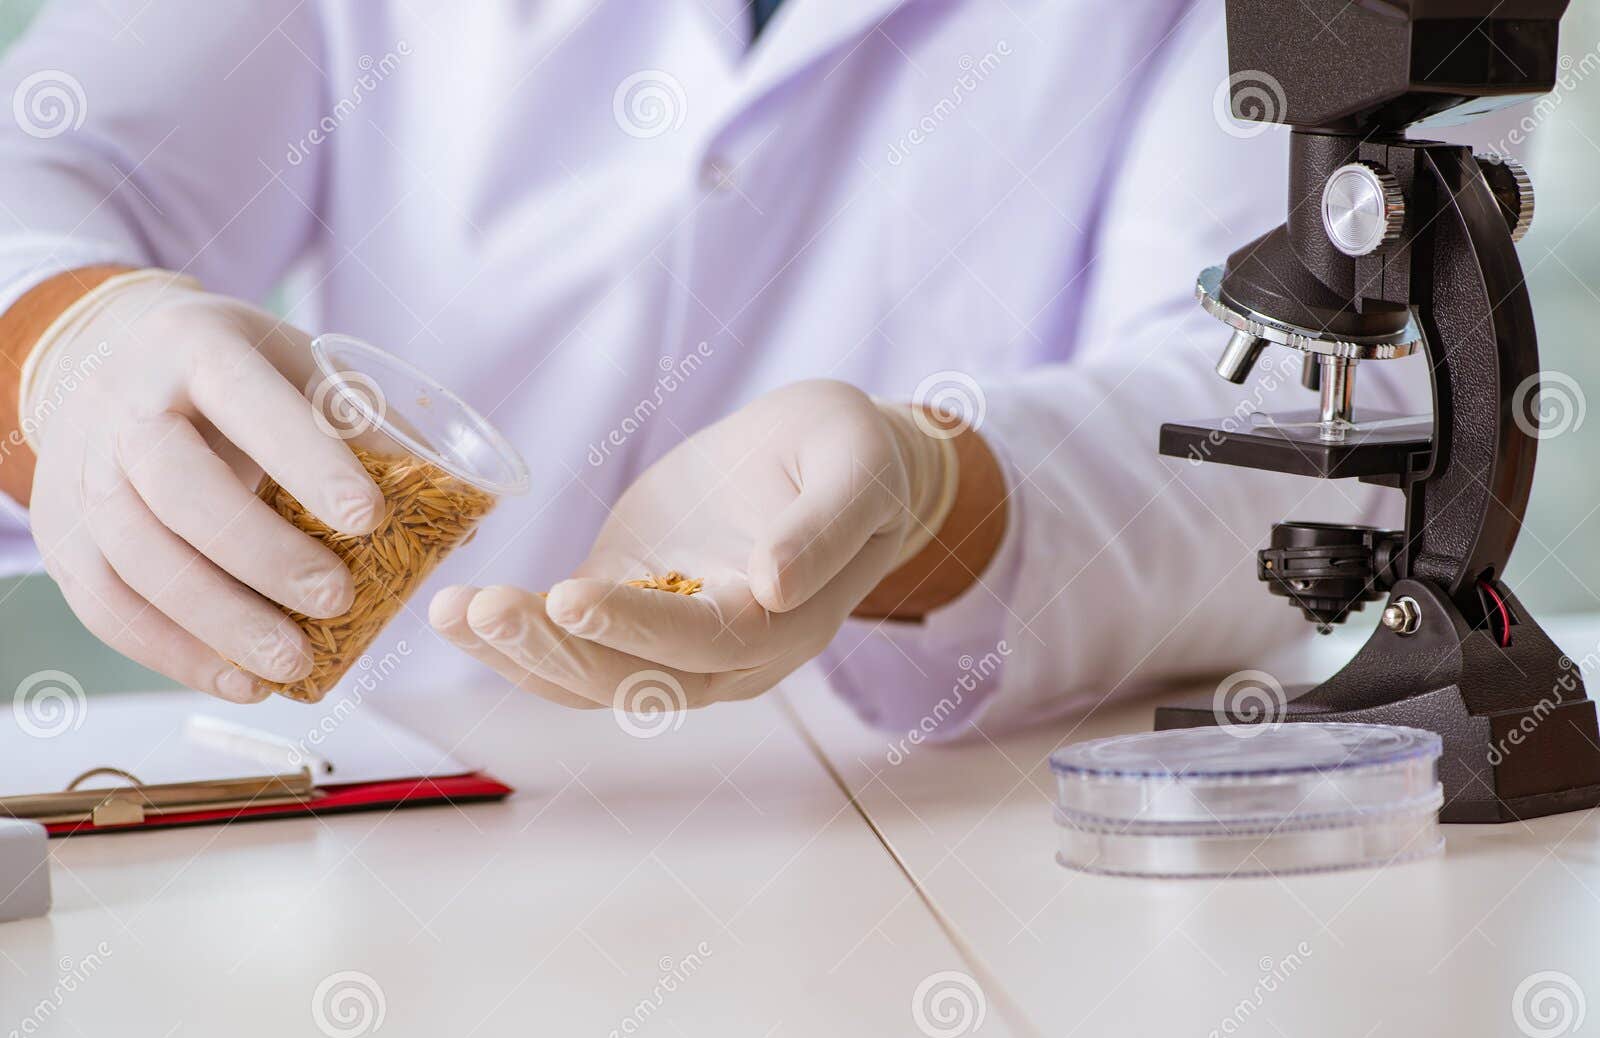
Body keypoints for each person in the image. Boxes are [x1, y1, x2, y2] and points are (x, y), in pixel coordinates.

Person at [0, 0, 1419, 737]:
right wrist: (71, 345)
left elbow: (1316, 412)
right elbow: (53, 158)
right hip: (409, 811)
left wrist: (929, 499)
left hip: (969, 838)